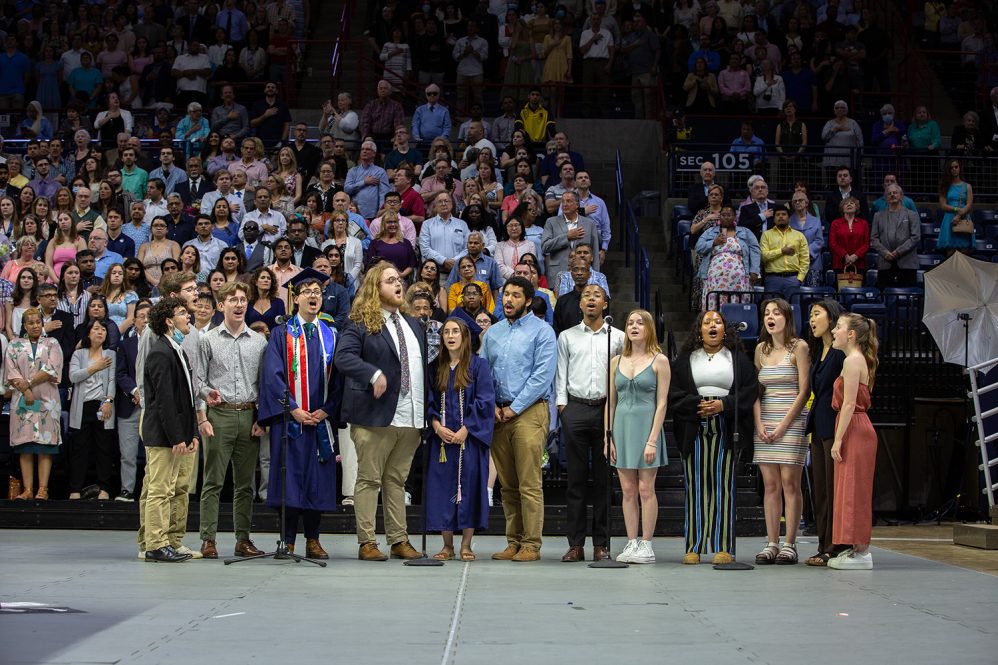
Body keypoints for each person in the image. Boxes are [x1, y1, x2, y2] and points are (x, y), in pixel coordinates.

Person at [334, 262, 427, 561]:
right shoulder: (360, 321)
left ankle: (399, 539)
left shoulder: (414, 325)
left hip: (410, 417)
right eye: (390, 280)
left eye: (399, 279)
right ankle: (367, 542)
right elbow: (343, 357)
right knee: (369, 480)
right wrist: (373, 375)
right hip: (374, 416)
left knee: (396, 481)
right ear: (376, 288)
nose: (398, 284)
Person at [259, 270, 339, 557]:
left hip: (319, 422)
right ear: (296, 299)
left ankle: (313, 539)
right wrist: (292, 408)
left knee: (317, 480)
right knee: (289, 479)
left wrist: (325, 410)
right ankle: (288, 539)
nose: (313, 295)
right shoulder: (282, 335)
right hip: (290, 422)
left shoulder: (331, 335)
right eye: (307, 291)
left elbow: (339, 379)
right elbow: (273, 376)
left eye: (317, 290)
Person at [669, 310, 758, 565]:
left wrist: (724, 405)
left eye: (717, 322)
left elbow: (750, 391)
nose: (712, 326)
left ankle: (723, 546)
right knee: (695, 487)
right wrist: (698, 403)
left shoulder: (738, 359)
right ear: (699, 330)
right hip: (693, 425)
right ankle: (694, 546)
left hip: (726, 425)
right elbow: (674, 394)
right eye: (707, 322)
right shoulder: (685, 359)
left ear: (724, 330)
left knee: (724, 486)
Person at [480, 275, 557, 561]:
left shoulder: (543, 332)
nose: (508, 300)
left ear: (527, 300)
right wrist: (492, 406)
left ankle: (531, 545)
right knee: (508, 484)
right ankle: (513, 541)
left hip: (529, 410)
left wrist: (514, 408)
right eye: (505, 294)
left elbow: (541, 376)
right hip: (499, 413)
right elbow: (483, 372)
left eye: (515, 295)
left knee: (528, 482)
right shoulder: (493, 333)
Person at [195, 281, 267, 558]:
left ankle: (243, 539)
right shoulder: (208, 339)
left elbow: (263, 384)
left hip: (249, 413)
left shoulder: (259, 341)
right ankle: (208, 538)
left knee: (245, 483)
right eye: (233, 300)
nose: (239, 304)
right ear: (220, 305)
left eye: (242, 299)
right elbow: (198, 380)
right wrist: (202, 416)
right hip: (220, 413)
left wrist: (262, 417)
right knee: (213, 480)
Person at [556, 285, 624, 562]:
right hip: (576, 407)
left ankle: (602, 543)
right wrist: (562, 407)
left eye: (597, 296)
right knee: (575, 480)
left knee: (604, 481)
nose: (591, 299)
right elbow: (561, 373)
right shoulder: (567, 336)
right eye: (586, 296)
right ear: (580, 304)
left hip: (607, 410)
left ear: (605, 305)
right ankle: (575, 544)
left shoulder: (617, 337)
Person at [426, 317, 495, 561]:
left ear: (465, 337)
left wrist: (467, 428)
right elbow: (430, 403)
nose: (450, 336)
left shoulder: (479, 366)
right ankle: (447, 545)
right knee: (443, 487)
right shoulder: (435, 367)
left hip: (470, 440)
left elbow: (485, 401)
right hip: (442, 441)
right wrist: (436, 426)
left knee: (469, 487)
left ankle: (466, 544)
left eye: (456, 331)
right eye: (446, 332)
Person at [606, 309, 670, 564]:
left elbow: (662, 402)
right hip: (621, 427)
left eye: (640, 323)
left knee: (646, 489)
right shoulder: (615, 362)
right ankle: (631, 541)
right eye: (630, 322)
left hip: (646, 427)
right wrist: (607, 437)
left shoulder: (659, 360)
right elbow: (610, 402)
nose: (634, 326)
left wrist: (653, 439)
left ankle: (647, 543)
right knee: (628, 489)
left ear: (649, 328)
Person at [140, 297, 200, 562]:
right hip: (164, 435)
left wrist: (193, 433)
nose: (188, 316)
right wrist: (177, 436)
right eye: (182, 313)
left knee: (176, 488)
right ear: (168, 321)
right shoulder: (160, 352)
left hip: (180, 433)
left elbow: (187, 397)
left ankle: (171, 541)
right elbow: (164, 401)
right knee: (160, 489)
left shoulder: (178, 350)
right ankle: (155, 543)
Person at [752, 299, 811, 565]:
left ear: (787, 317)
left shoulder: (799, 347)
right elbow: (756, 391)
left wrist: (784, 424)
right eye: (766, 313)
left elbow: (804, 390)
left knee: (790, 482)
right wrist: (759, 424)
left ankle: (790, 543)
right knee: (771, 485)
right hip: (765, 419)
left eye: (776, 312)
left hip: (791, 420)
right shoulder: (760, 350)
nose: (770, 317)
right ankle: (771, 542)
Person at [827, 313, 879, 570]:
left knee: (855, 489)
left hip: (854, 428)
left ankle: (862, 550)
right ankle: (855, 547)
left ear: (851, 334)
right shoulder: (854, 360)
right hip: (854, 426)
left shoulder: (853, 361)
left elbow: (848, 403)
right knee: (850, 488)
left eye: (838, 327)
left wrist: (837, 441)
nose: (833, 331)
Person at [804, 298, 847, 566]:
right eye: (810, 315)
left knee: (834, 490)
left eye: (816, 314)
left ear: (831, 319)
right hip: (818, 426)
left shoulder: (841, 354)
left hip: (833, 425)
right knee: (820, 489)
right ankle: (823, 543)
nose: (811, 319)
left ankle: (835, 545)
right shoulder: (818, 351)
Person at [5, 308, 62, 500]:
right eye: (31, 323)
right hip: (22, 401)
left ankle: (42, 489)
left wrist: (29, 384)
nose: (35, 325)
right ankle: (28, 489)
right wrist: (26, 391)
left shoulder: (52, 343)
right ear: (24, 325)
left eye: (38, 322)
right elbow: (11, 373)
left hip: (47, 401)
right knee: (26, 445)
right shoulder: (14, 345)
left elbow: (51, 368)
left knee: (45, 445)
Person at [68, 318, 117, 501]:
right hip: (82, 407)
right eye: (96, 329)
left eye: (103, 330)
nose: (100, 332)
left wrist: (108, 400)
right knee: (80, 449)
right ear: (88, 333)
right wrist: (94, 367)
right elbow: (73, 376)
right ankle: (75, 489)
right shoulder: (79, 354)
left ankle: (104, 489)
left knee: (104, 449)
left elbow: (112, 380)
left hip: (102, 405)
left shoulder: (110, 353)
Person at [696, 205, 760, 311]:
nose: (726, 217)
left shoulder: (745, 232)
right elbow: (698, 247)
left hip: (739, 278)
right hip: (715, 278)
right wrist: (713, 242)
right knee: (715, 305)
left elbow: (755, 250)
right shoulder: (710, 232)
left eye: (729, 215)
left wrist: (754, 270)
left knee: (738, 306)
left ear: (735, 217)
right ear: (719, 217)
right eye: (723, 215)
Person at [870, 184, 921, 288]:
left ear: (901, 196)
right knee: (885, 296)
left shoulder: (912, 215)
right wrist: (885, 253)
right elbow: (874, 239)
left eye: (895, 193)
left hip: (907, 263)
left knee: (907, 296)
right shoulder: (878, 216)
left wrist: (898, 252)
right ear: (885, 198)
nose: (892, 195)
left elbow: (915, 237)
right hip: (885, 262)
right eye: (889, 193)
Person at [760, 204, 809, 301]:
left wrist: (799, 278)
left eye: (784, 214)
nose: (781, 216)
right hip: (772, 279)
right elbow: (763, 256)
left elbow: (805, 259)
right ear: (774, 219)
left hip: (793, 279)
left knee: (793, 311)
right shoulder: (766, 235)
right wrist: (781, 251)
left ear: (789, 218)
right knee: (772, 310)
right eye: (778, 215)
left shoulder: (799, 236)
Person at [935, 159, 974, 255]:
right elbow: (943, 206)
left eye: (956, 167)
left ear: (959, 168)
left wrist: (960, 214)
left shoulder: (967, 186)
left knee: (964, 252)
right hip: (949, 220)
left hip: (963, 219)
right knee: (950, 253)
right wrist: (956, 209)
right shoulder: (945, 186)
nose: (954, 169)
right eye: (951, 168)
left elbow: (969, 204)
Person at [829, 197, 870, 279]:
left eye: (852, 203)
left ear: (856, 207)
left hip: (859, 263)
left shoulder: (864, 223)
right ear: (842, 208)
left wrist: (855, 256)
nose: (849, 204)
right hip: (840, 263)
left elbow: (866, 244)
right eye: (846, 203)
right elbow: (832, 243)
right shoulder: (835, 223)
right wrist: (845, 255)